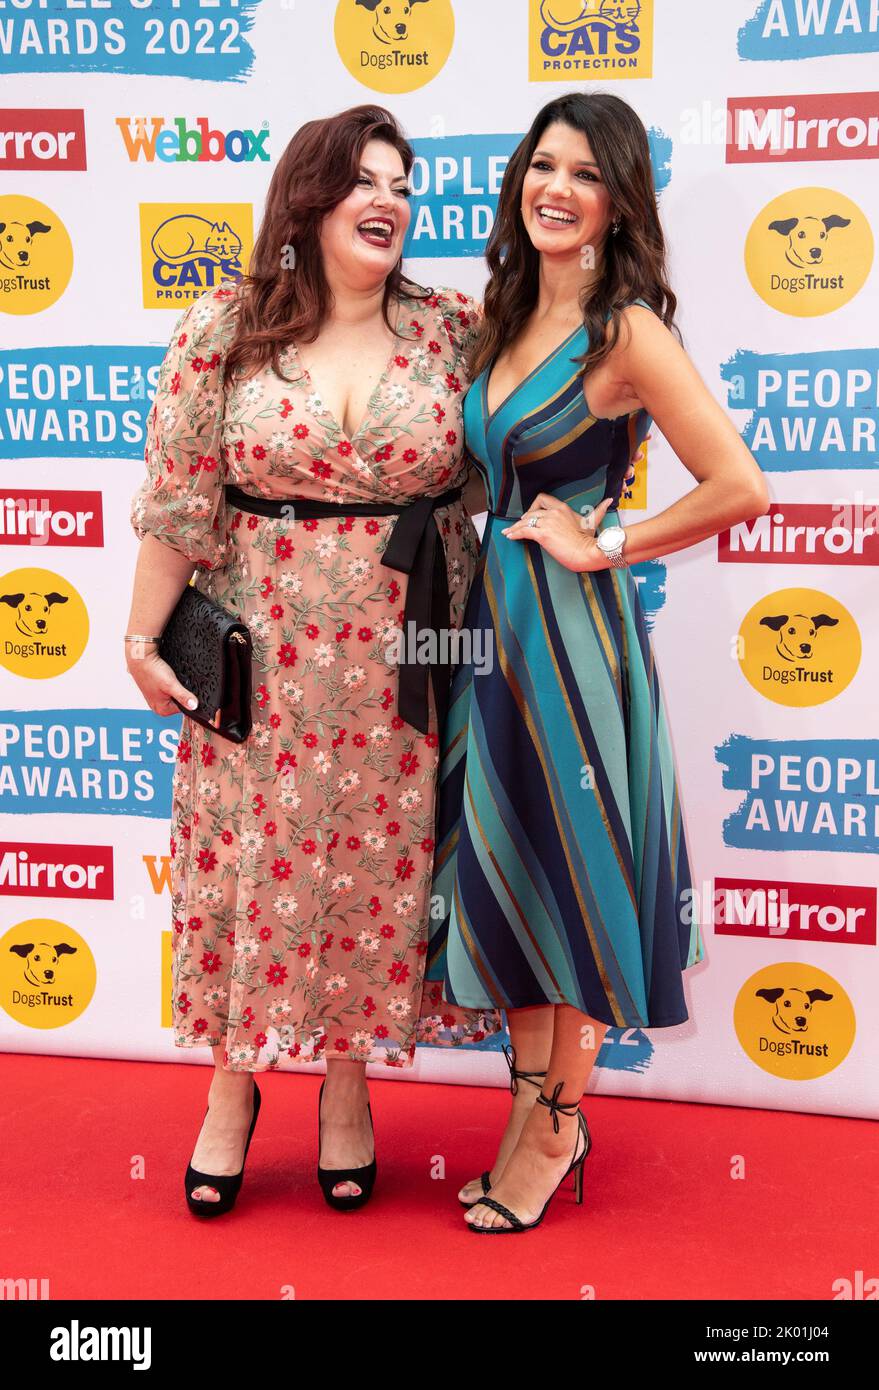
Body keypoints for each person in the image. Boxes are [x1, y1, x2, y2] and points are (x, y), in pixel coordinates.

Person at [125, 104, 496, 1217]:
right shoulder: (222, 330)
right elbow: (179, 501)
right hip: (259, 651)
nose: (387, 199)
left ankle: (347, 1085)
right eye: (361, 181)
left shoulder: (451, 331)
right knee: (248, 866)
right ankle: (230, 1089)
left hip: (407, 650)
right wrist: (141, 636)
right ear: (307, 199)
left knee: (381, 870)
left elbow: (499, 474)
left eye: (401, 183)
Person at [427, 91, 770, 1234]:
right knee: (516, 874)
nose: (555, 188)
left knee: (576, 879)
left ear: (621, 203)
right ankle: (535, 1112)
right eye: (543, 165)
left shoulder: (626, 331)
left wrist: (606, 536)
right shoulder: (506, 313)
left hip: (574, 641)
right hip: (494, 627)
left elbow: (740, 485)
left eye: (584, 173)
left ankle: (561, 1118)